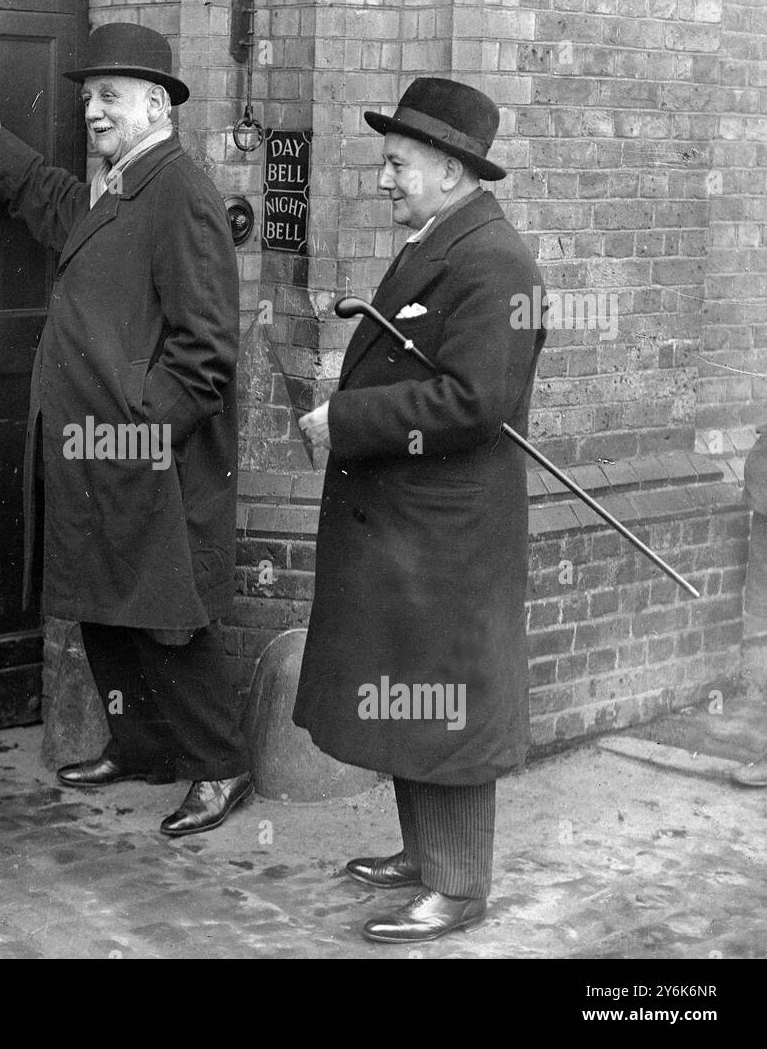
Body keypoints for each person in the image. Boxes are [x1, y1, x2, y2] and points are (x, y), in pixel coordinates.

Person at [0, 23, 253, 836]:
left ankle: (220, 765)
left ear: (156, 105)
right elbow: (65, 213)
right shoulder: (125, 179)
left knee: (163, 614)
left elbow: (206, 350)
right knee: (99, 600)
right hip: (95, 448)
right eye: (89, 97)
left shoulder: (182, 190)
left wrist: (141, 425)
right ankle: (144, 745)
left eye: (110, 97)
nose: (92, 111)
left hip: (143, 453)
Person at [294, 78, 546, 942]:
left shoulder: (496, 262)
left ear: (448, 168)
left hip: (450, 540)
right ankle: (422, 852)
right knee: (407, 692)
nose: (386, 179)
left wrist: (348, 417)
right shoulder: (441, 241)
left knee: (448, 705)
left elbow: (477, 399)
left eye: (399, 163)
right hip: (411, 530)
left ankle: (461, 883)